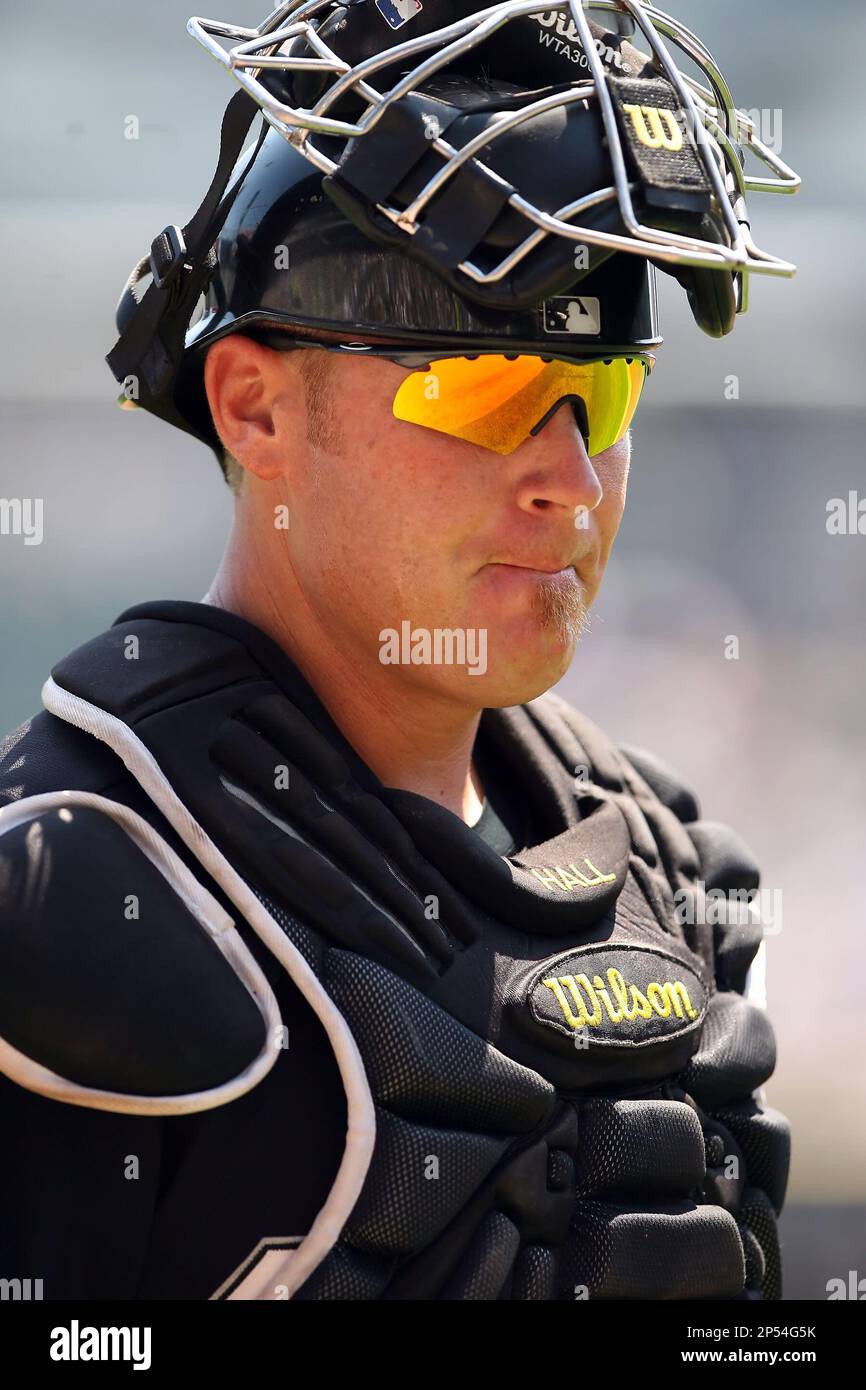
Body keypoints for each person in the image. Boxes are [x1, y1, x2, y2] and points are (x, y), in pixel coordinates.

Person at [0, 0, 799, 1301]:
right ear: (256, 406)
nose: (570, 485)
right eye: (480, 387)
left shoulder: (665, 860)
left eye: (601, 391)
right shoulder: (66, 903)